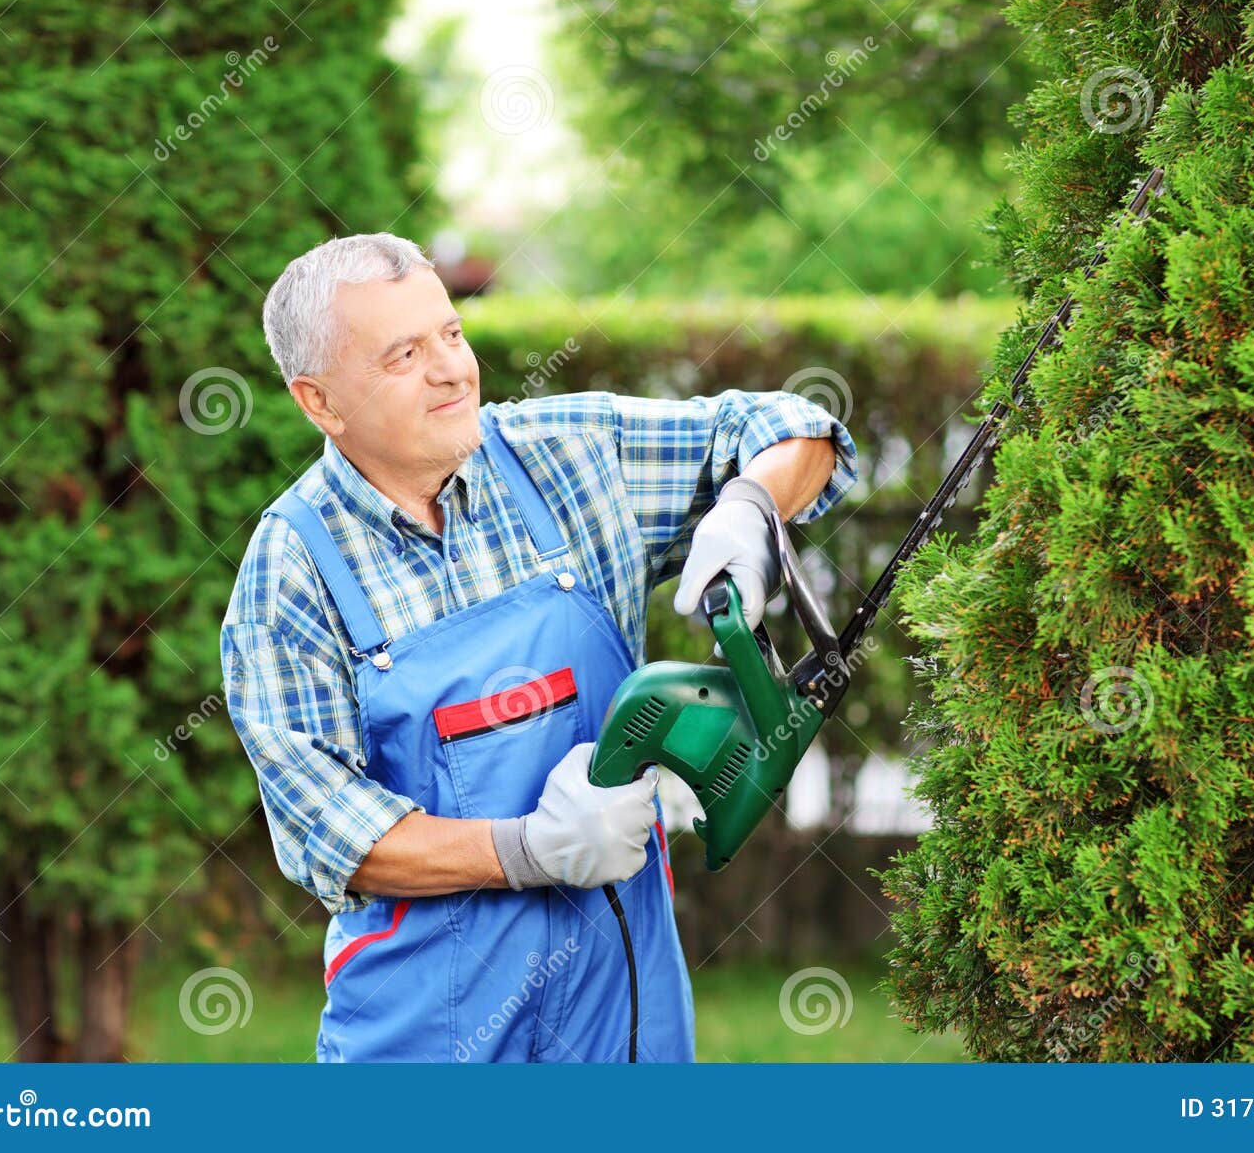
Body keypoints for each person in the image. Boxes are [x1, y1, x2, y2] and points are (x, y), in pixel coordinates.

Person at [220, 233, 858, 1062]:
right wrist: (526, 848)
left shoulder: (571, 457)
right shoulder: (290, 573)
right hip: (426, 1042)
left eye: (451, 333)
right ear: (321, 402)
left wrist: (748, 504)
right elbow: (330, 830)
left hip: (625, 1026)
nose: (451, 368)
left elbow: (798, 429)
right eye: (404, 354)